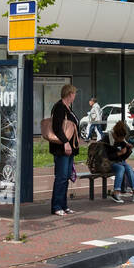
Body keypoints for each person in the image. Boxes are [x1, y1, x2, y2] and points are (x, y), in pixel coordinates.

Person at [50, 84, 79, 216]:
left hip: (69, 149)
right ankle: (56, 206)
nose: (75, 96)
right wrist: (66, 143)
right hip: (61, 149)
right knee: (61, 177)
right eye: (74, 93)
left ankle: (64, 205)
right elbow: (57, 128)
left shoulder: (68, 108)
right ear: (69, 94)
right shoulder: (59, 107)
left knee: (66, 177)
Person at [105, 120, 134, 204]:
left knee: (128, 168)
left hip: (119, 162)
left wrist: (128, 151)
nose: (121, 140)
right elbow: (106, 156)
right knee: (121, 168)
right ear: (115, 135)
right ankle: (116, 193)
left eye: (122, 138)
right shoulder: (107, 138)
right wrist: (119, 153)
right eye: (120, 138)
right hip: (108, 163)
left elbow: (123, 157)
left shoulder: (122, 141)